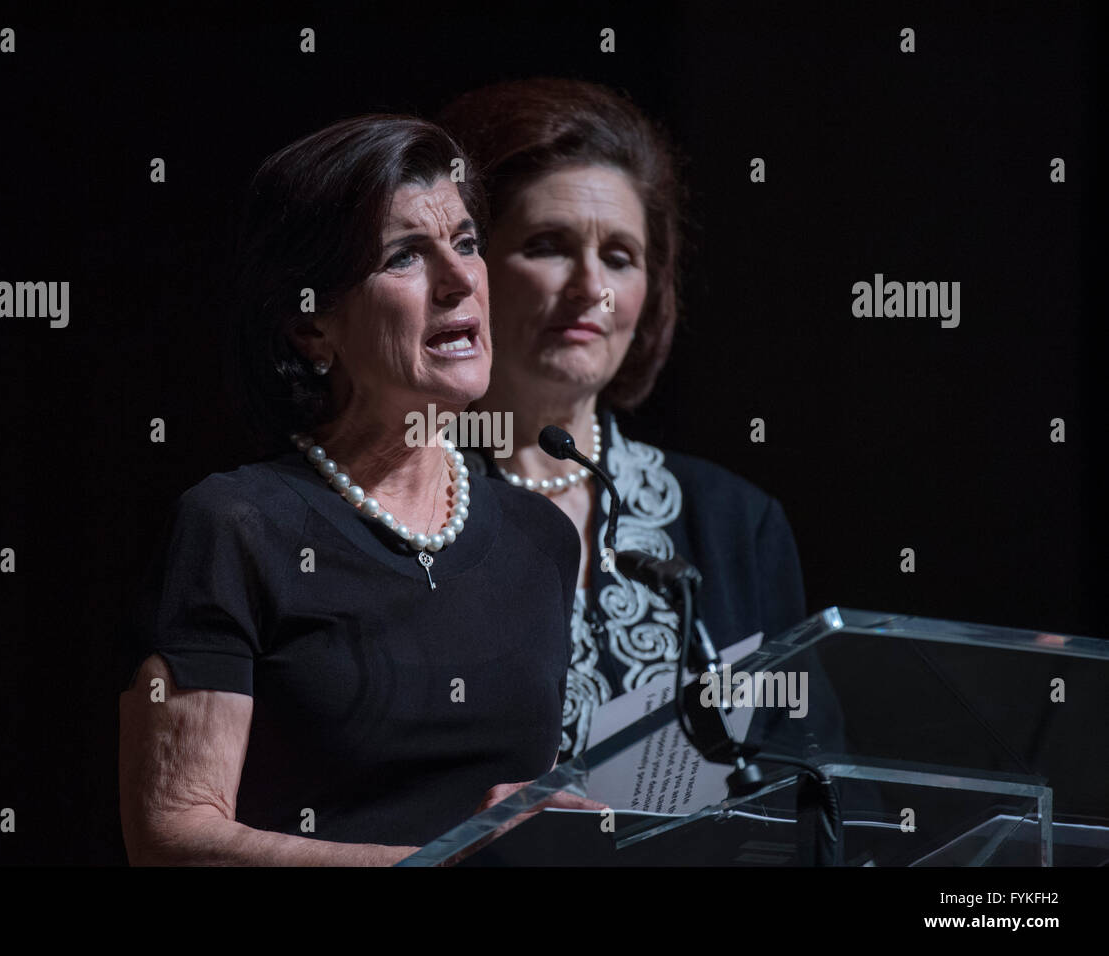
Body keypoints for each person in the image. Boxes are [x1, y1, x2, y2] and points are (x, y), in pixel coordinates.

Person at [117, 115, 598, 866]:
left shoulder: (539, 538)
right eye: (406, 255)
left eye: (467, 243)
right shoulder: (237, 527)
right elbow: (175, 838)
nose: (460, 278)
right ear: (313, 328)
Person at [437, 79, 808, 761]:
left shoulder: (733, 523)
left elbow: (816, 783)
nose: (590, 290)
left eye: (619, 257)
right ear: (467, 270)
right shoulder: (386, 507)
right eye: (548, 244)